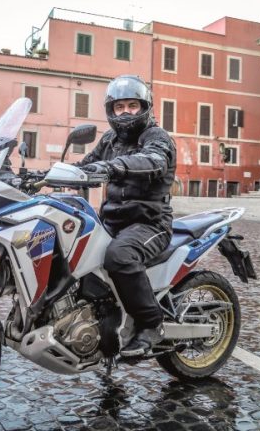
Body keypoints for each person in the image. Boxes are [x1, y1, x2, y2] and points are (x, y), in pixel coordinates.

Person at [74, 74, 177, 357]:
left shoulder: (156, 137)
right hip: (113, 221)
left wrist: (113, 167)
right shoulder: (110, 139)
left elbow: (153, 160)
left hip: (150, 222)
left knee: (119, 256)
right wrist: (40, 176)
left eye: (132, 105)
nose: (125, 113)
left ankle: (151, 323)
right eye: (119, 107)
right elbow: (85, 165)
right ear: (111, 110)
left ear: (144, 107)